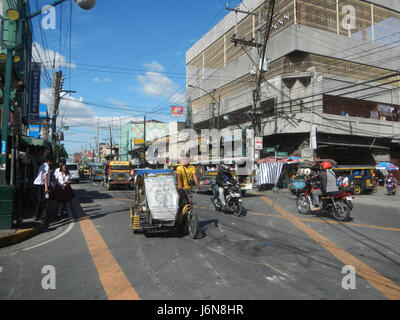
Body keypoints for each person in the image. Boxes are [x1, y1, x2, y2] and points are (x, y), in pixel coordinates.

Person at [33, 155, 53, 228]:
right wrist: (46, 187)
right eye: (51, 162)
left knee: (40, 200)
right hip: (41, 185)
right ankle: (40, 216)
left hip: (38, 184)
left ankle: (37, 215)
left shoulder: (42, 165)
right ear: (49, 161)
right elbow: (45, 177)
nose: (52, 163)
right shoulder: (46, 167)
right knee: (43, 201)